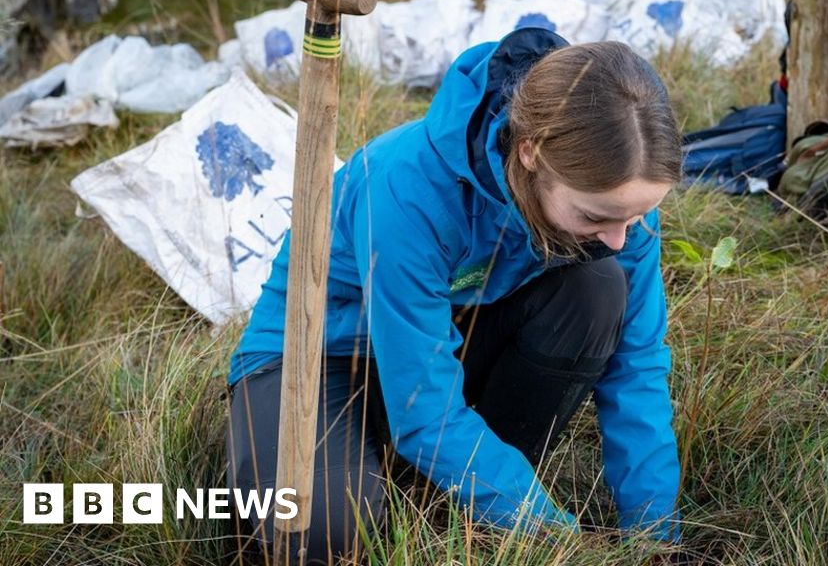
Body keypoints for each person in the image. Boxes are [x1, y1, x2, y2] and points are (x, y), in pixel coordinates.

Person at [224, 27, 682, 564]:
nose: (621, 237)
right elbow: (425, 413)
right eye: (595, 216)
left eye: (635, 216)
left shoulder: (615, 195)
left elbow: (638, 368)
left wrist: (654, 537)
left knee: (598, 288)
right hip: (319, 354)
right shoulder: (403, 186)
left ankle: (463, 503)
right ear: (530, 154)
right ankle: (386, 480)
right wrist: (561, 540)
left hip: (446, 339)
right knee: (325, 539)